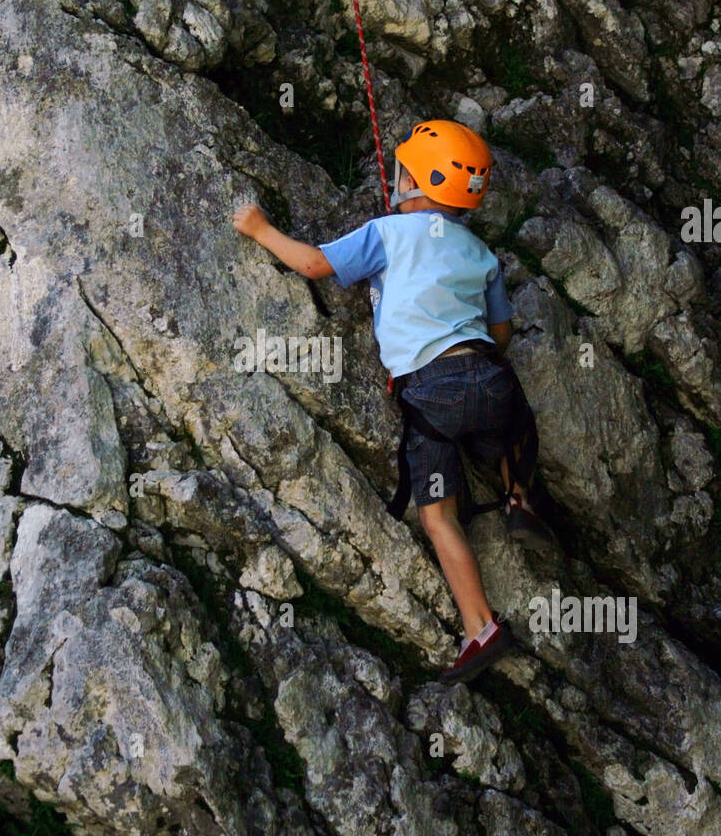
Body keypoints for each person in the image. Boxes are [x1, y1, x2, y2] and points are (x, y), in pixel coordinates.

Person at [232, 119, 554, 684]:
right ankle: (517, 496)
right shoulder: (481, 253)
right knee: (505, 419)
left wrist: (260, 229)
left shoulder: (387, 233)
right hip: (486, 374)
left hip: (430, 393)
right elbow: (501, 334)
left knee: (438, 515)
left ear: (416, 180)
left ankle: (481, 627)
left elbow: (313, 265)